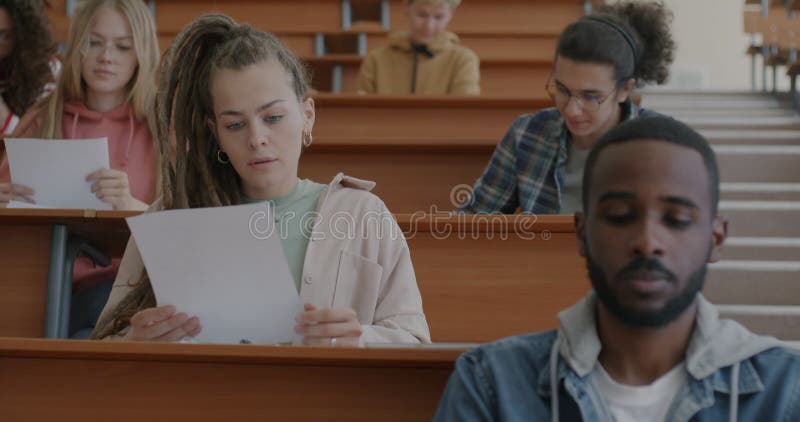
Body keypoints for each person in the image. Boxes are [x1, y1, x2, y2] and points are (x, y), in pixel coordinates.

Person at [91, 14, 430, 346]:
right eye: (235, 125)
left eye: (273, 117)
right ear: (216, 134)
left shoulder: (363, 213)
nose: (256, 138)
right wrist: (135, 339)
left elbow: (413, 342)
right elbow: (102, 345)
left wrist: (360, 338)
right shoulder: (171, 215)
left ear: (307, 116)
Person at [435, 116, 800, 421]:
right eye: (620, 216)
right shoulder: (492, 385)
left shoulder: (787, 392)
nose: (647, 241)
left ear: (715, 239)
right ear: (581, 232)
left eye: (676, 219)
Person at [0, 0, 160, 338]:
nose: (106, 56)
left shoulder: (159, 129)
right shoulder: (44, 117)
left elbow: (183, 228)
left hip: (119, 288)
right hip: (38, 285)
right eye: (94, 42)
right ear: (77, 47)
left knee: (88, 329)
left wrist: (134, 207)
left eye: (122, 46)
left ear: (141, 55)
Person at [460, 1, 674, 214]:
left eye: (590, 96)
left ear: (624, 90)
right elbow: (473, 220)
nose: (571, 110)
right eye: (562, 89)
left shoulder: (665, 144)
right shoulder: (527, 134)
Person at [357, 0, 479, 95]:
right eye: (422, 15)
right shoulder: (376, 59)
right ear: (406, 7)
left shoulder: (463, 60)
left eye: (438, 17)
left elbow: (465, 116)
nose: (429, 26)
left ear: (451, 15)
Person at [0, 0, 59, 136]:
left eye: (3, 35)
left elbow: (37, 144)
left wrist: (3, 117)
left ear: (23, 36)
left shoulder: (46, 70)